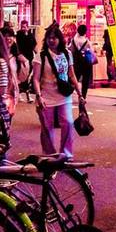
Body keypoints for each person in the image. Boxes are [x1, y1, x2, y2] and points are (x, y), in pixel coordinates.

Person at [36, 24, 82, 158]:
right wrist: (39, 96)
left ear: (60, 39)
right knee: (47, 127)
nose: (52, 40)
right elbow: (36, 79)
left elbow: (72, 74)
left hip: (64, 96)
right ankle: (49, 155)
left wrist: (79, 94)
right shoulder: (41, 56)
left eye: (55, 38)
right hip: (46, 97)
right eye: (49, 38)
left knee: (68, 122)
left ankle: (65, 154)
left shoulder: (67, 54)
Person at [70, 23, 95, 98]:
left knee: (75, 78)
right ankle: (83, 95)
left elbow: (71, 50)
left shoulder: (73, 40)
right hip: (86, 63)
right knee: (85, 80)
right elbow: (91, 51)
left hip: (76, 62)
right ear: (85, 32)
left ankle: (69, 93)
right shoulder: (86, 41)